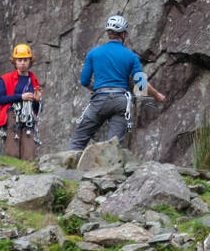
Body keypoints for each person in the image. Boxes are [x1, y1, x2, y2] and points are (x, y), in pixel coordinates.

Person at [68, 14, 166, 152]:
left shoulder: (93, 53)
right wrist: (157, 95)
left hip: (99, 100)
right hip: (122, 101)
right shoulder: (131, 56)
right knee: (114, 145)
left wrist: (97, 88)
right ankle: (112, 172)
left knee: (79, 139)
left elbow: (84, 80)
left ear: (108, 33)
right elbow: (141, 84)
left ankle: (66, 170)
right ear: (124, 34)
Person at [0, 43, 42, 161]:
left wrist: (36, 101)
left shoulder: (34, 80)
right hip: (13, 115)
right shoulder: (6, 79)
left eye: (25, 60)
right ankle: (11, 172)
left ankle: (28, 173)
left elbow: (37, 108)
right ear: (14, 62)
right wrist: (21, 97)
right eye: (19, 60)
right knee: (12, 148)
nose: (22, 63)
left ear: (30, 61)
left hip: (28, 117)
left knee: (29, 151)